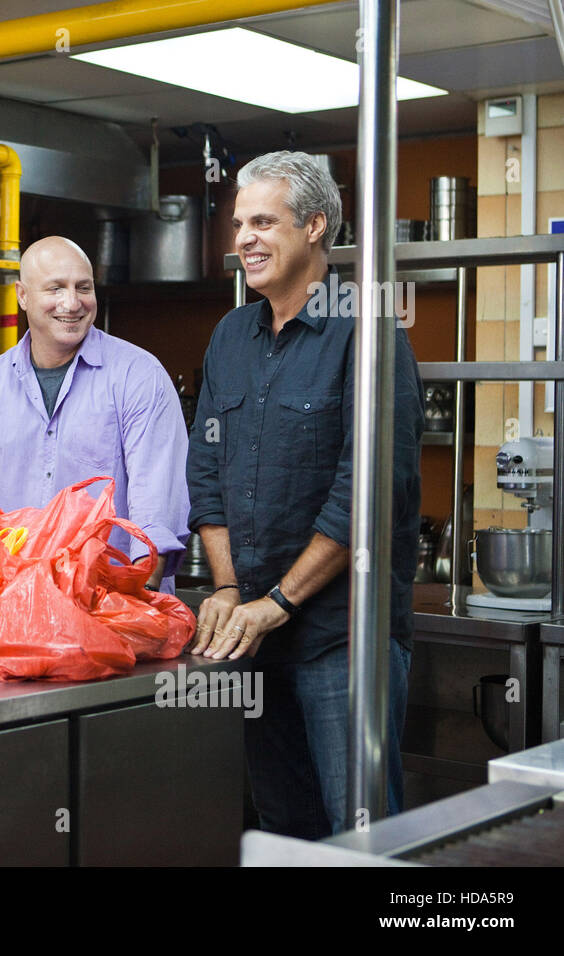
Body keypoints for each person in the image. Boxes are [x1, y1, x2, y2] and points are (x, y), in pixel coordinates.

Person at [186, 150, 424, 838]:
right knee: (283, 829)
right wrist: (231, 591)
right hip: (256, 638)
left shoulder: (369, 331)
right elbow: (207, 472)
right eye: (239, 224)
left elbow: (371, 492)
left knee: (364, 834)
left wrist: (280, 602)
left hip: (338, 642)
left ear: (316, 225)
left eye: (264, 221)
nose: (245, 239)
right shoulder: (231, 336)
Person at [0, 235, 189, 591]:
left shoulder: (140, 377)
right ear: (22, 295)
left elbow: (155, 518)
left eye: (83, 288)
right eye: (55, 289)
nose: (72, 303)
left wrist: (134, 609)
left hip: (114, 608)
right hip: (12, 611)